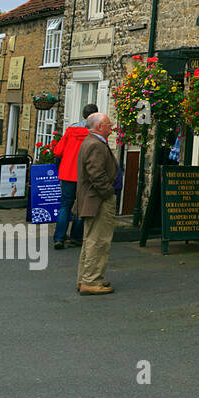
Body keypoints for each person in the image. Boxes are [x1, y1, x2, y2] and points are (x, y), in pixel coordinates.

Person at [73, 113, 119, 295]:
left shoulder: (92, 142)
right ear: (99, 126)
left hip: (93, 199)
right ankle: (91, 281)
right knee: (98, 241)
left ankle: (86, 278)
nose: (112, 125)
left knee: (91, 240)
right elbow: (96, 174)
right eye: (108, 123)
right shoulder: (95, 144)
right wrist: (108, 192)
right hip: (98, 200)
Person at [51, 103, 98, 250]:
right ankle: (76, 238)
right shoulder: (94, 134)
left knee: (65, 205)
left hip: (67, 173)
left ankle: (59, 238)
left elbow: (57, 152)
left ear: (83, 115)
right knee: (80, 207)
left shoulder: (71, 130)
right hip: (84, 176)